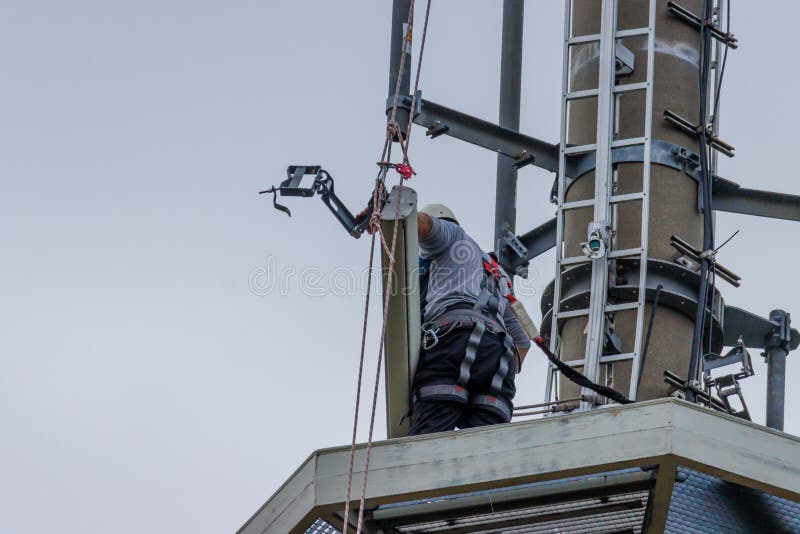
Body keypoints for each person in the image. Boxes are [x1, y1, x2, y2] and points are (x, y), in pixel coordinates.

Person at [411, 204, 531, 435]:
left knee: (428, 444)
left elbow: (422, 224)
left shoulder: (451, 236)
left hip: (453, 342)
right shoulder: (498, 274)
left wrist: (396, 212)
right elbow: (523, 342)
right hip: (499, 359)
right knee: (484, 452)